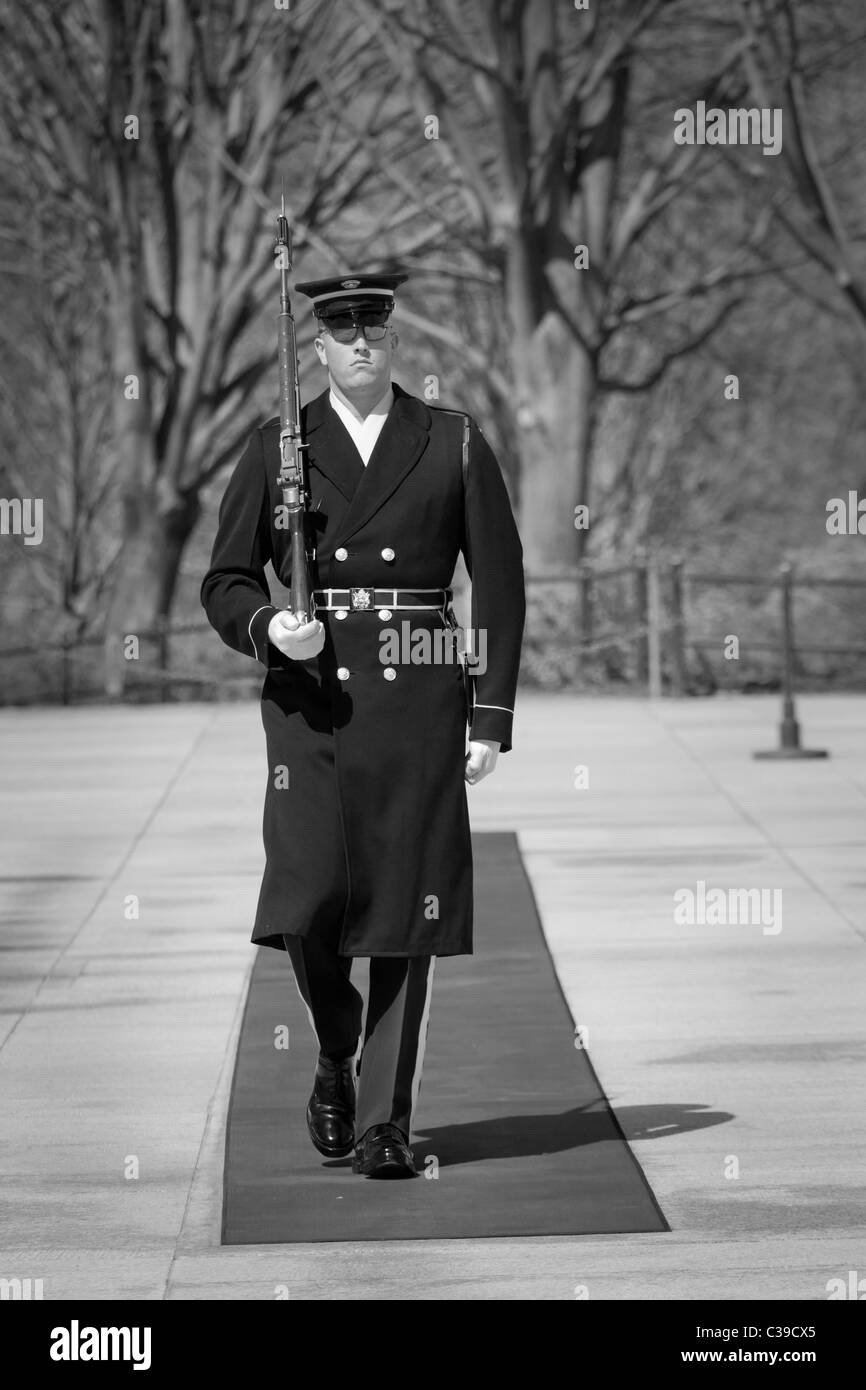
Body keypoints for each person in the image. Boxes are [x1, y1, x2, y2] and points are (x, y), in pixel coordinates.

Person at [200, 271, 525, 1178]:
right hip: (312, 703)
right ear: (317, 347)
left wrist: (489, 714)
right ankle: (335, 1050)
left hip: (418, 695)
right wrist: (270, 626)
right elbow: (225, 580)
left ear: (392, 340)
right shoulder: (277, 446)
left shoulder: (452, 440)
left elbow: (498, 578)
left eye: (374, 330)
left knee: (403, 911)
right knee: (306, 902)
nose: (360, 346)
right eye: (341, 333)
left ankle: (385, 1118)